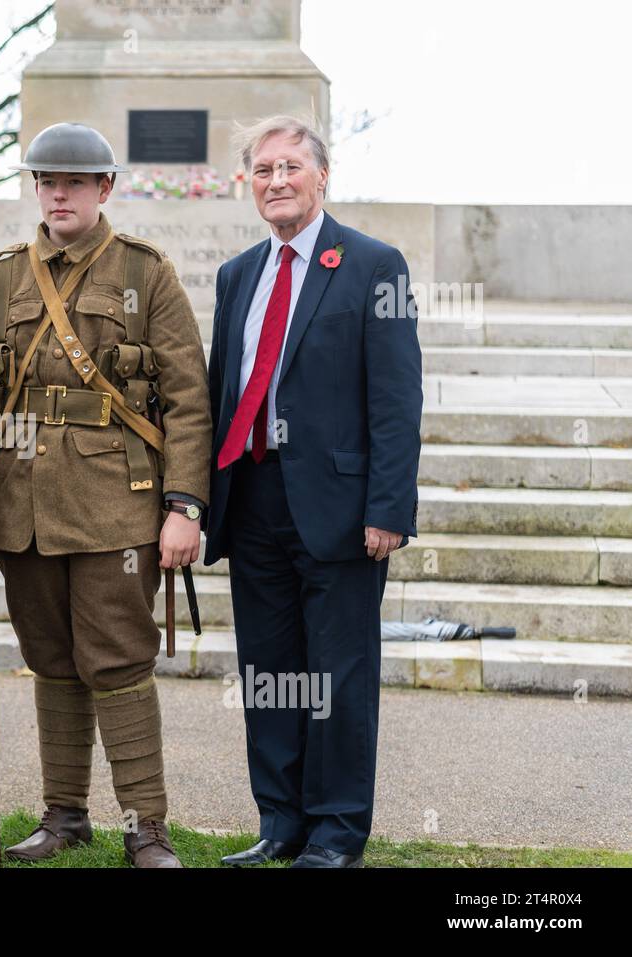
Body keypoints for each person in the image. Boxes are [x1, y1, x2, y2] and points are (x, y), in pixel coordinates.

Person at [0, 122, 213, 868]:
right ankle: (64, 815)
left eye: (73, 183)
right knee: (51, 658)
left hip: (114, 503)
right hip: (22, 504)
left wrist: (184, 505)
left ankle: (145, 826)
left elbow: (188, 398)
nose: (58, 195)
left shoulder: (144, 272)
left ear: (105, 188)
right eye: (46, 182)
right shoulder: (2, 276)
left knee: (119, 660)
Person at [203, 115, 422, 868]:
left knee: (338, 678)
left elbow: (396, 399)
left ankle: (335, 831)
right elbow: (222, 391)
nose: (277, 181)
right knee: (270, 675)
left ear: (321, 176)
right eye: (263, 170)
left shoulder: (374, 265)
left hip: (342, 510)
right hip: (252, 500)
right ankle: (281, 822)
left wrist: (389, 508)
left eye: (290, 166)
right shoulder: (238, 276)